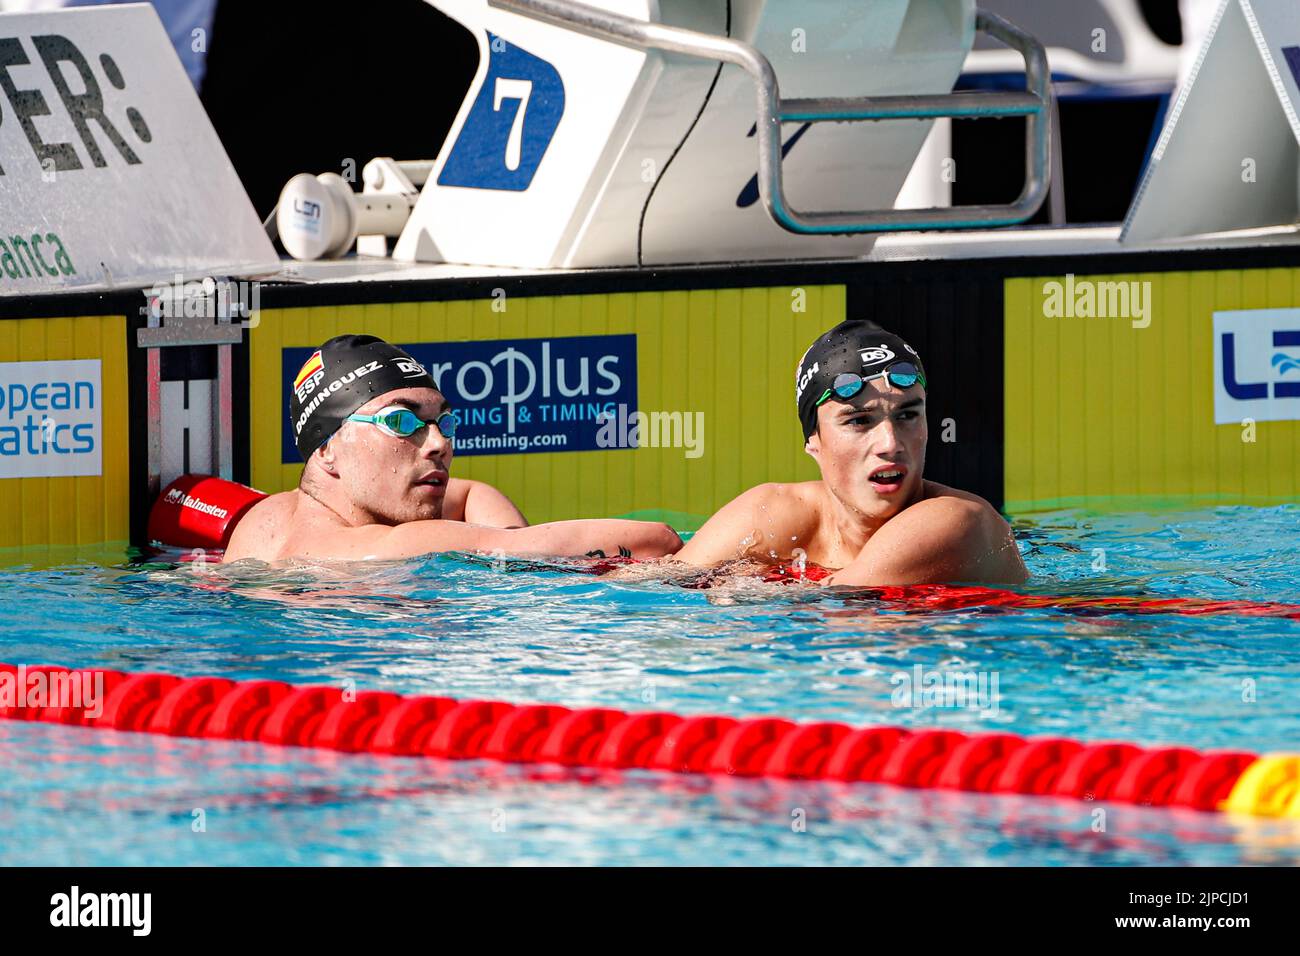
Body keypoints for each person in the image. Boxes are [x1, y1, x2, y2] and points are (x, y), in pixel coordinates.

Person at [223, 334, 681, 562]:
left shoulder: (264, 523)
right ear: (327, 449)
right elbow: (657, 539)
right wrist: (516, 554)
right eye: (400, 422)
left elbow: (471, 492)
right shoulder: (386, 551)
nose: (439, 443)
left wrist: (509, 546)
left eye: (442, 422)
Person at [675, 319, 1027, 586]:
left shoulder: (957, 521)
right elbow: (660, 584)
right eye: (859, 421)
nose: (890, 443)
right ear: (814, 439)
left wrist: (739, 587)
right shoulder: (774, 513)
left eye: (907, 415)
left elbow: (838, 605)